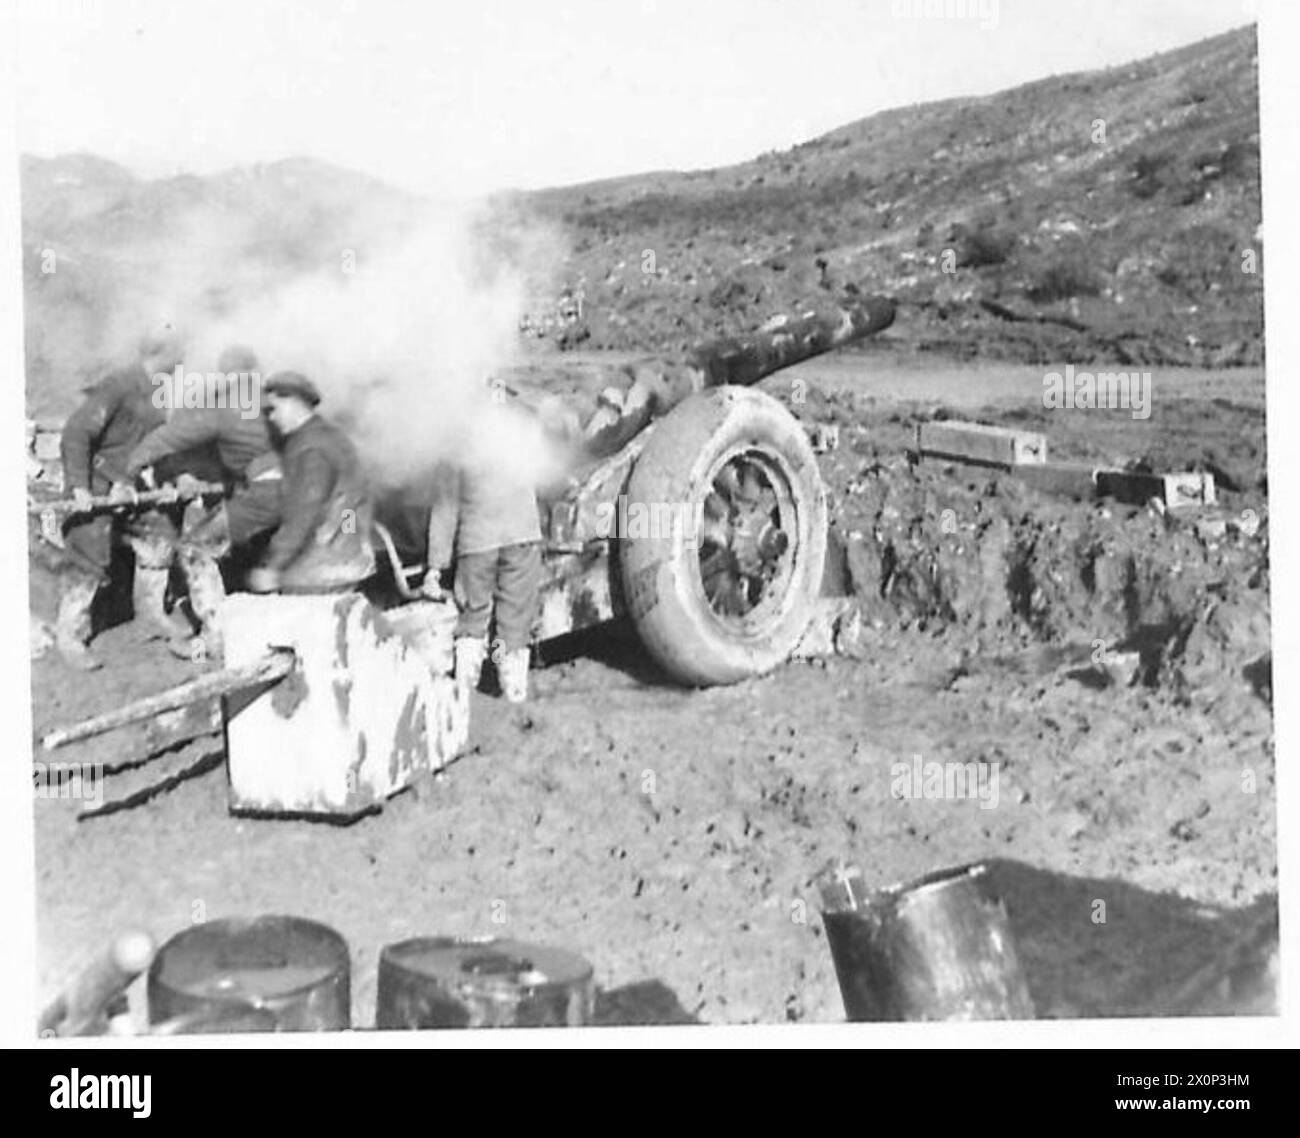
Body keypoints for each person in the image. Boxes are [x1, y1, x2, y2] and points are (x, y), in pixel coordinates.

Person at [125, 345, 281, 658]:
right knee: (268, 552)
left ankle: (216, 636)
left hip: (265, 493)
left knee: (194, 549)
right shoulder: (276, 402)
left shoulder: (226, 408)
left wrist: (130, 469)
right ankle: (273, 624)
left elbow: (167, 438)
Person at [54, 332, 184, 669]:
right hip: (95, 482)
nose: (184, 358)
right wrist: (81, 488)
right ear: (161, 351)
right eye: (179, 350)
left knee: (159, 533)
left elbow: (156, 445)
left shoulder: (161, 389)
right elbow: (76, 433)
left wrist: (171, 481)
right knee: (89, 556)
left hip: (129, 484)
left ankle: (151, 615)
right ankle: (71, 635)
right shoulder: (118, 386)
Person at [426, 405, 544, 703]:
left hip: (477, 542)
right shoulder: (522, 428)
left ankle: (466, 693)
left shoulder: (455, 440)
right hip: (520, 535)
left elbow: (445, 508)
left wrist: (435, 567)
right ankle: (512, 691)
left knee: (474, 617)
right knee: (513, 620)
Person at [246, 371, 374, 594]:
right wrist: (345, 537)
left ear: (294, 402)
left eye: (273, 409)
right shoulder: (331, 436)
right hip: (348, 557)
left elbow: (303, 513)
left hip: (320, 571)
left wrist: (273, 565)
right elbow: (349, 503)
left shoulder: (310, 448)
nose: (271, 418)